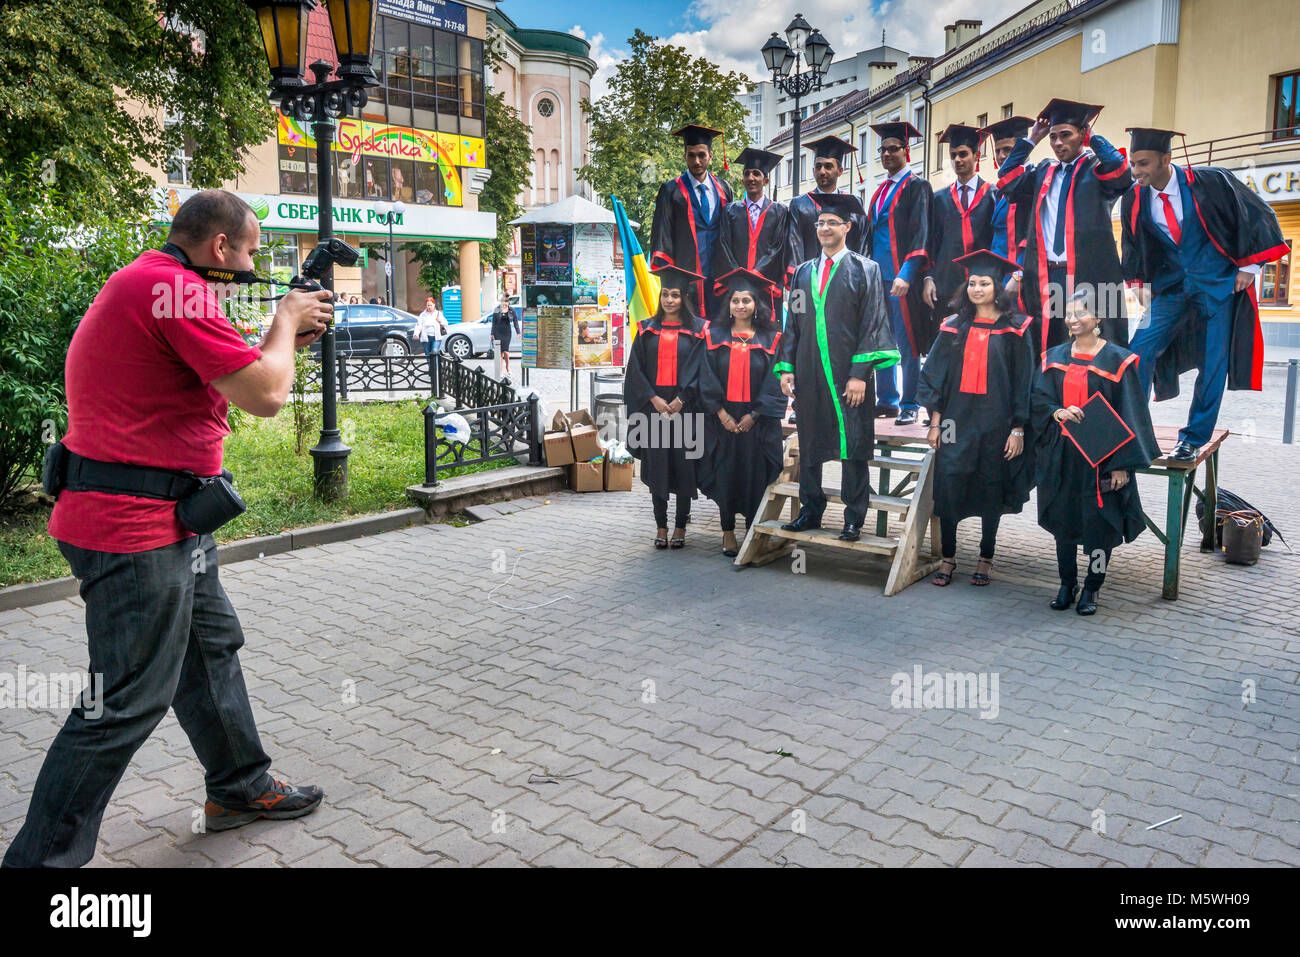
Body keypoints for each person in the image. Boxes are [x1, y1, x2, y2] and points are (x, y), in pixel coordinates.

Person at [2, 190, 333, 868]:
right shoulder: (168, 289)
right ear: (220, 248)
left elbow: (235, 376)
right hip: (134, 529)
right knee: (124, 698)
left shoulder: (159, 286)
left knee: (210, 649)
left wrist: (282, 337)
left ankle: (238, 787)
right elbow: (267, 395)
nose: (249, 265)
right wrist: (284, 317)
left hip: (172, 520)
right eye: (246, 252)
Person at [1121, 126, 1288, 462]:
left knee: (1213, 365)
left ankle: (1192, 439)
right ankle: (1132, 431)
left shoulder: (1211, 182)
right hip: (1170, 289)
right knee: (1137, 352)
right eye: (1133, 164)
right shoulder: (1134, 197)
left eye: (1143, 163)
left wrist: (1250, 268)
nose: (1136, 171)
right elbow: (1133, 242)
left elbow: (1258, 216)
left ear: (1165, 159)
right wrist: (1138, 283)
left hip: (1216, 286)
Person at [777, 193, 898, 542]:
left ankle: (853, 518)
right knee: (811, 442)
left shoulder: (866, 269)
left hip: (849, 374)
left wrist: (860, 375)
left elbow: (873, 323)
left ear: (848, 226)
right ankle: (810, 511)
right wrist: (787, 367)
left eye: (832, 222)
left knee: (853, 445)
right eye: (820, 223)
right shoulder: (802, 273)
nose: (825, 228)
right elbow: (794, 323)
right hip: (809, 370)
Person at [1031, 288, 1159, 616]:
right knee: (1063, 521)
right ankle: (1066, 582)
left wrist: (1121, 466)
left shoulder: (1118, 360)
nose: (1072, 320)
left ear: (1098, 318)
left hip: (1101, 461)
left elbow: (1131, 414)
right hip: (1062, 456)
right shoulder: (1054, 357)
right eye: (1068, 314)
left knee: (1100, 527)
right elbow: (1039, 399)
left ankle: (1092, 586)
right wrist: (1057, 412)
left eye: (1080, 314)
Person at [917, 250, 1035, 587]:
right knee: (950, 484)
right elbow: (935, 375)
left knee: (990, 487)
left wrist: (1018, 428)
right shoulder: (953, 326)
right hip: (956, 421)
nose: (977, 289)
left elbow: (1023, 380)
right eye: (972, 283)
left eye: (984, 283)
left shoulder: (1016, 328)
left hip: (997, 422)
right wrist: (936, 423)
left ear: (998, 287)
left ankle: (986, 557)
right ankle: (949, 557)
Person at [996, 99, 1132, 362]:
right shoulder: (1043, 171)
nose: (1058, 143)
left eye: (1066, 135)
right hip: (1048, 274)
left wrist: (1094, 139)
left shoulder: (1095, 168)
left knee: (1090, 343)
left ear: (1082, 134)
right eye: (1054, 137)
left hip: (1086, 274)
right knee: (1049, 342)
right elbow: (1007, 180)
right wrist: (1032, 140)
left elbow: (1121, 173)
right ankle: (1050, 399)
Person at [624, 265, 718, 549]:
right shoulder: (646, 330)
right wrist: (653, 399)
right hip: (654, 412)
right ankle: (661, 525)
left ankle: (680, 525)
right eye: (665, 294)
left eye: (675, 295)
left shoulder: (700, 331)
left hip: (686, 411)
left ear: (684, 297)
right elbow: (635, 372)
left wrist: (682, 399)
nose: (669, 300)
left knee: (684, 469)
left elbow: (703, 370)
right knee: (659, 469)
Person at [698, 268, 786, 557]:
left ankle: (751, 529)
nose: (740, 306)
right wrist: (722, 415)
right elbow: (707, 377)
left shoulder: (771, 339)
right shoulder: (714, 336)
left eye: (746, 300)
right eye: (736, 300)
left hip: (756, 421)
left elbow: (775, 380)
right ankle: (727, 532)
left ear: (755, 304)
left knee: (754, 475)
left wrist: (754, 415)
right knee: (725, 474)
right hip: (721, 420)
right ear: (729, 304)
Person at [866, 121, 934, 425]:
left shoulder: (917, 186)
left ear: (907, 151)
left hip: (901, 277)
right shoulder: (880, 189)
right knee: (881, 341)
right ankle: (887, 400)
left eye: (894, 148)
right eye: (883, 149)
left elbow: (922, 233)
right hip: (876, 277)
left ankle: (909, 402)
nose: (887, 154)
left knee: (907, 343)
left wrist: (907, 273)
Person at [649, 123, 734, 317]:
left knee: (717, 332)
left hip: (718, 279)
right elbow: (662, 236)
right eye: (691, 155)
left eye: (702, 155)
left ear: (710, 156)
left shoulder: (724, 189)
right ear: (684, 156)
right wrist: (671, 282)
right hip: (686, 278)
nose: (697, 161)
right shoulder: (671, 190)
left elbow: (731, 232)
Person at [714, 147, 797, 320]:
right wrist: (739, 278)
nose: (751, 178)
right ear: (743, 179)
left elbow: (779, 248)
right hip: (737, 291)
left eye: (756, 174)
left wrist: (756, 277)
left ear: (765, 180)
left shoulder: (780, 211)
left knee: (765, 337)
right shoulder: (730, 211)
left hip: (766, 288)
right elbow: (724, 246)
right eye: (747, 174)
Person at [930, 124, 998, 313]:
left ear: (976, 156)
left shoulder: (993, 195)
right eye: (953, 156)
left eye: (963, 154)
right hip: (947, 285)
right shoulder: (939, 199)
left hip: (982, 284)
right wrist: (929, 278)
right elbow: (932, 243)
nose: (957, 160)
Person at [788, 135, 870, 264]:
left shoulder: (854, 203)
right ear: (813, 170)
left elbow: (863, 244)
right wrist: (800, 277)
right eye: (818, 166)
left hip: (846, 278)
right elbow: (794, 247)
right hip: (810, 279)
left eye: (828, 166)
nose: (822, 171)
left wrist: (860, 274)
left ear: (840, 171)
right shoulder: (799, 204)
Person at [981, 116, 1037, 299]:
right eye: (998, 150)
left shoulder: (1034, 181)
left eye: (1008, 150)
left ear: (1023, 150)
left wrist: (1018, 274)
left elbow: (1033, 234)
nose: (1003, 156)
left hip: (1019, 277)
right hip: (997, 276)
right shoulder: (999, 191)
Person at [414, 295, 448, 386]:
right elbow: (419, 325)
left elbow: (446, 323)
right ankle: (431, 370)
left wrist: (439, 320)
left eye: (431, 305)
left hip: (436, 338)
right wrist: (416, 333)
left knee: (435, 352)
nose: (429, 307)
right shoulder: (423, 315)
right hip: (426, 338)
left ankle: (436, 371)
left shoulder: (438, 314)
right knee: (428, 355)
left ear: (434, 305)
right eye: (428, 305)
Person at [490, 297, 520, 375]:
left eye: (506, 302)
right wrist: (492, 333)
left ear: (508, 302)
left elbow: (515, 322)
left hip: (507, 332)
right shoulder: (497, 309)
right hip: (498, 331)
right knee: (499, 352)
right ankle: (501, 371)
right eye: (503, 302)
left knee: (506, 351)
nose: (505, 303)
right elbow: (494, 322)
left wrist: (518, 332)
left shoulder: (511, 310)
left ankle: (508, 367)